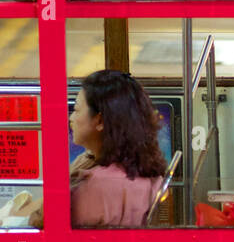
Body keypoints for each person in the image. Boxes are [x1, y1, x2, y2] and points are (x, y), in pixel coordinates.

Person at [68, 69, 168, 227]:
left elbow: (46, 224)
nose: (71, 118)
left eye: (76, 110)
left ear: (100, 121)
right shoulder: (143, 169)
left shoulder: (95, 187)